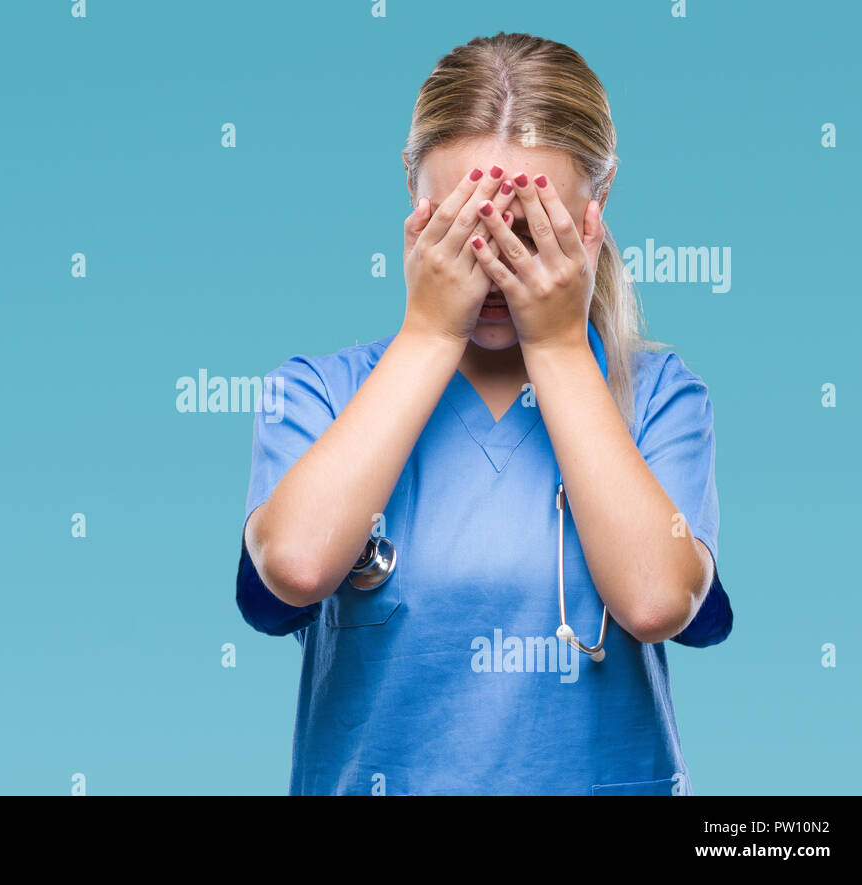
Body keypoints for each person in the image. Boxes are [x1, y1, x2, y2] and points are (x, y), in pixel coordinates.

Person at [235, 32, 733, 796]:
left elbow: (655, 597)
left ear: (595, 213)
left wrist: (563, 345)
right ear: (413, 197)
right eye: (469, 223)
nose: (498, 263)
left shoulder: (659, 396)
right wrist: (431, 330)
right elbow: (297, 564)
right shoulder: (319, 393)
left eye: (530, 228)